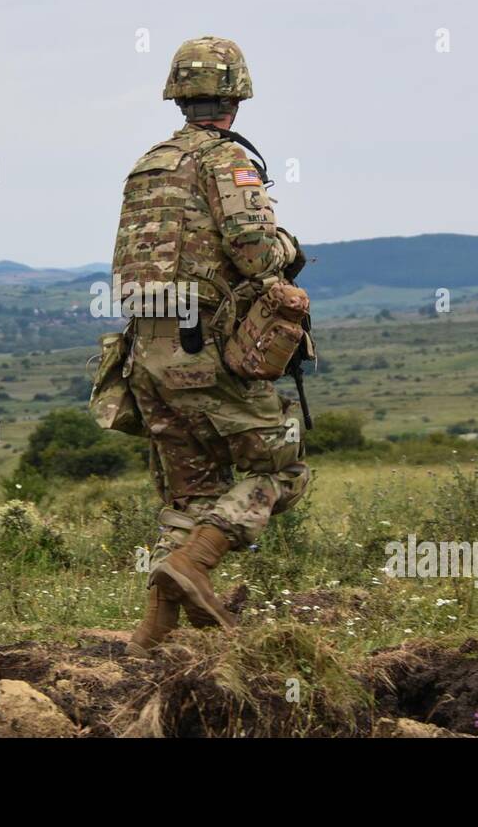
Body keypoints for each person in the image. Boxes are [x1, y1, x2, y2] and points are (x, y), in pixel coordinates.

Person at [109, 35, 311, 656]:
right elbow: (254, 252)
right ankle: (196, 562)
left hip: (144, 350)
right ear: (237, 96)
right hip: (203, 346)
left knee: (188, 494)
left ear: (179, 95)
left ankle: (150, 644)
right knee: (282, 470)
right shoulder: (229, 162)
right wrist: (289, 249)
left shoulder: (149, 164)